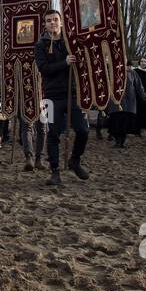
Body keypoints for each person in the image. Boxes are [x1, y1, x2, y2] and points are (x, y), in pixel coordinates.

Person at [35, 9, 90, 187]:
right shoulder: (41, 45)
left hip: (73, 94)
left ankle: (75, 160)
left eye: (55, 20)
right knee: (53, 134)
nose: (52, 23)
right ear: (45, 24)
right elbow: (44, 68)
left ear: (61, 22)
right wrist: (64, 63)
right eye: (49, 20)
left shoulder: (70, 42)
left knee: (83, 130)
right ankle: (55, 171)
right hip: (50, 96)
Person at [110, 68, 145, 148]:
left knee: (125, 123)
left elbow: (138, 85)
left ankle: (122, 141)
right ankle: (117, 141)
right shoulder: (112, 70)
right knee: (116, 122)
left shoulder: (132, 73)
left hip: (128, 102)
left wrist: (143, 95)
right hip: (115, 102)